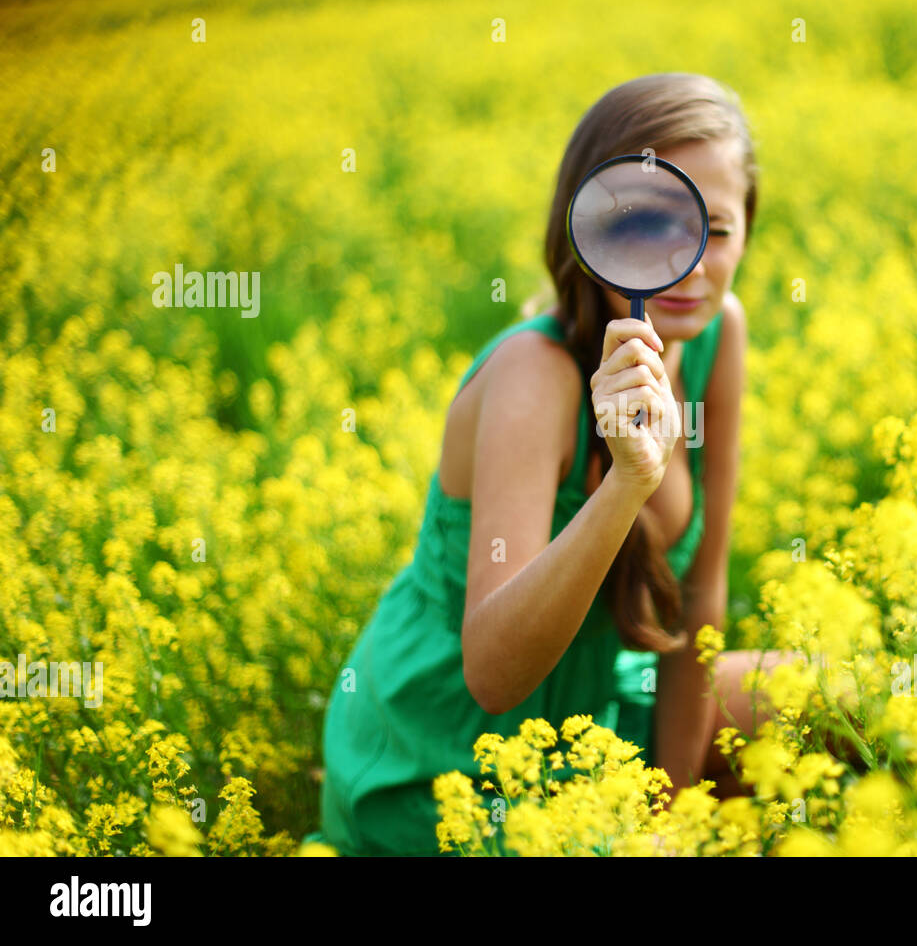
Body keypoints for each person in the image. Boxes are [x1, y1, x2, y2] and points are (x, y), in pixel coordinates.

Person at [311, 72, 803, 856]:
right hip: (453, 758)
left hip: (598, 714)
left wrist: (672, 816)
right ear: (587, 227)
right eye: (646, 223)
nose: (685, 264)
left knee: (829, 702)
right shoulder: (532, 376)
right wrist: (630, 484)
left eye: (713, 229)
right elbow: (494, 675)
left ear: (748, 228)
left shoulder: (717, 334)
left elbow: (701, 596)